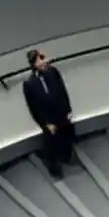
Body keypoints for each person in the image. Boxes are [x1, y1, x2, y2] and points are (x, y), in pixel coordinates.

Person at [23, 49, 75, 178]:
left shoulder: (53, 72)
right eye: (41, 59)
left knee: (67, 136)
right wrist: (45, 124)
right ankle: (54, 169)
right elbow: (34, 108)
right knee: (51, 144)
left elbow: (62, 91)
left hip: (61, 113)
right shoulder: (29, 84)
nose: (45, 61)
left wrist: (68, 110)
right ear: (34, 64)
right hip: (49, 120)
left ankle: (66, 157)